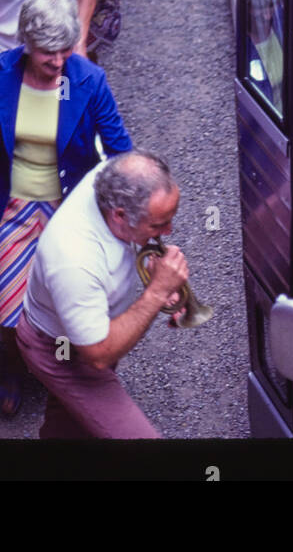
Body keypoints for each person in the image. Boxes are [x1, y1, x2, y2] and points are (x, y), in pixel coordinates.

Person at [0, 0, 133, 417]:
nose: (58, 62)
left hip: (67, 211)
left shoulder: (88, 80)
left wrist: (135, 204)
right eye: (48, 52)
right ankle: (14, 367)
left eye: (66, 50)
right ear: (27, 44)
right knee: (11, 311)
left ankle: (66, 375)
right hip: (11, 207)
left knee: (69, 301)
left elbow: (122, 151)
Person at [16, 149, 189, 438]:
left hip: (89, 324)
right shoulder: (73, 258)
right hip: (62, 349)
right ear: (120, 215)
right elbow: (97, 354)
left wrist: (152, 268)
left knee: (69, 420)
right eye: (158, 225)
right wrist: (157, 291)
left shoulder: (114, 176)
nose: (168, 232)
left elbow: (132, 243)